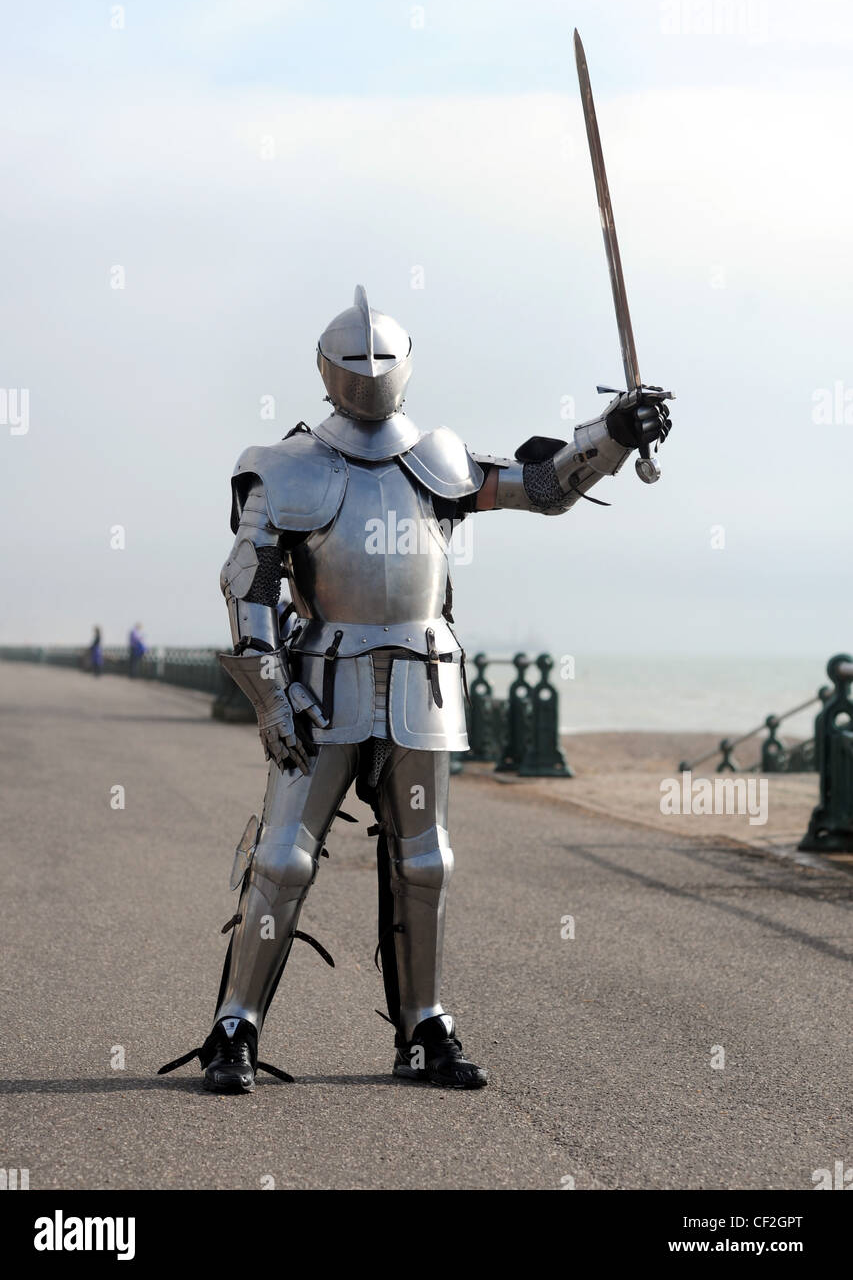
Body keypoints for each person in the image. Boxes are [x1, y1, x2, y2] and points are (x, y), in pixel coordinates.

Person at [159, 286, 671, 1094]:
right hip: (320, 681)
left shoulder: (438, 460)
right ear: (328, 371)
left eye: (378, 358)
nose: (367, 372)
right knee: (282, 859)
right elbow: (246, 586)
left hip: (422, 681)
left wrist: (610, 433)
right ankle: (235, 1025)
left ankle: (425, 1024)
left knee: (425, 861)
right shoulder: (285, 465)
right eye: (355, 360)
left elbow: (540, 486)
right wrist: (270, 692)